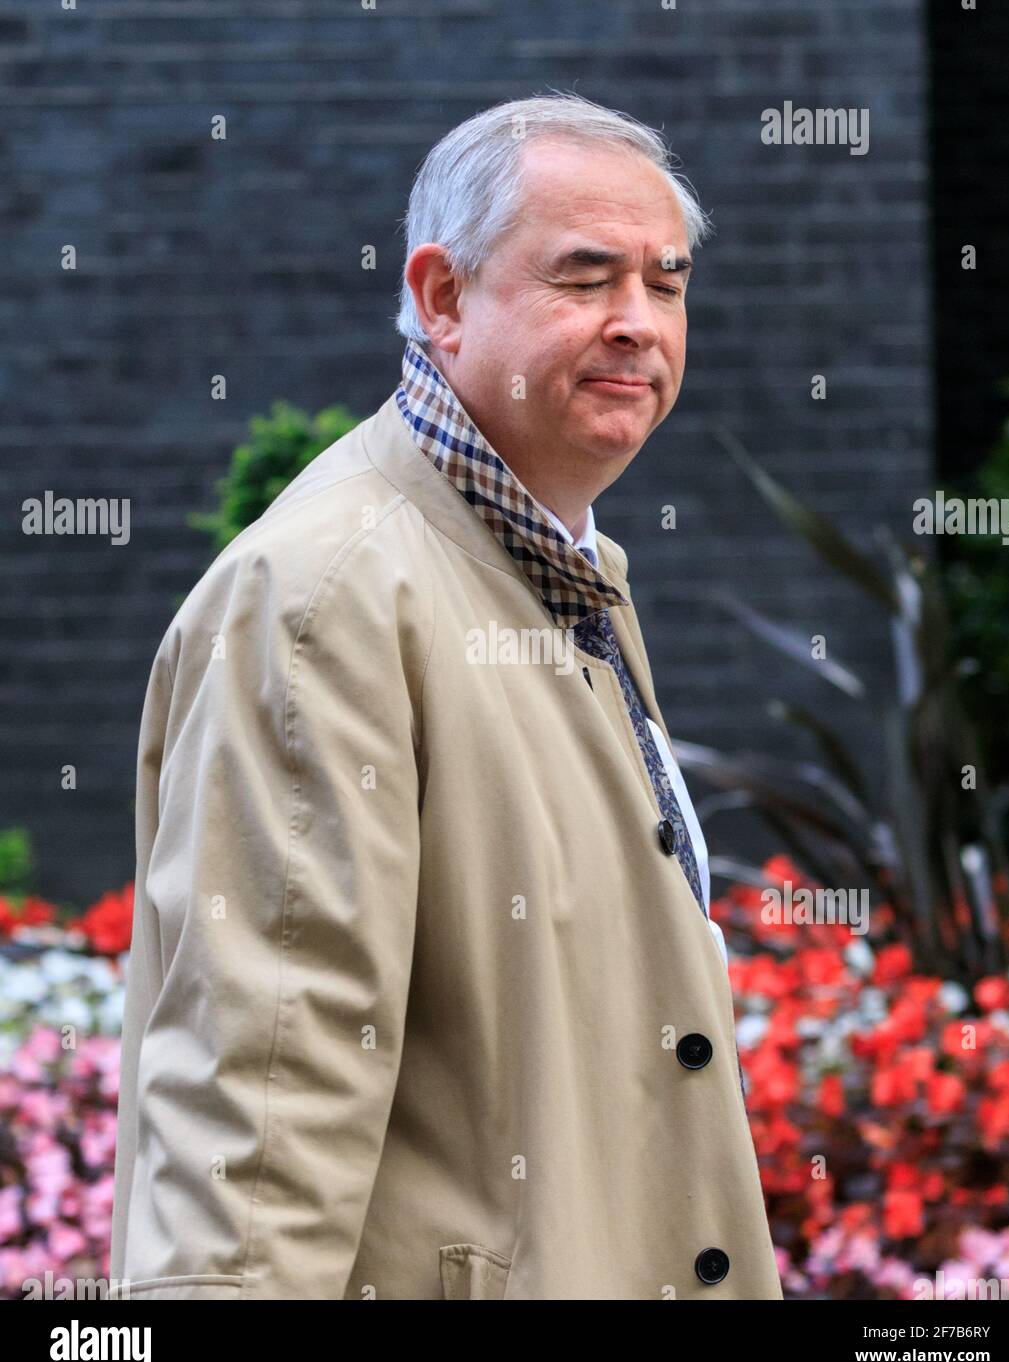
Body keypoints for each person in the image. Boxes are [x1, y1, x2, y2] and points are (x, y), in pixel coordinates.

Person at [108, 91, 783, 1300]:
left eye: (665, 282)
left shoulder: (563, 564)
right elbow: (263, 1091)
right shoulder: (324, 598)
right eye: (584, 279)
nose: (638, 323)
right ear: (441, 297)